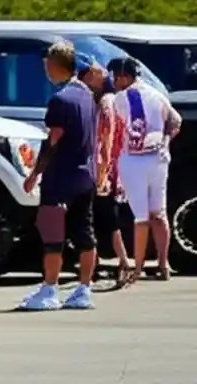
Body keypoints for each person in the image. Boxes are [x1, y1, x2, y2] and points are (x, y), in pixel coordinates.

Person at [20, 43, 98, 311]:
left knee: (52, 232)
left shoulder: (60, 100)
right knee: (85, 232)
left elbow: (53, 140)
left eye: (47, 65)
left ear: (55, 65)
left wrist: (34, 174)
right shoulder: (88, 96)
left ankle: (50, 289)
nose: (45, 70)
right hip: (86, 174)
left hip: (61, 176)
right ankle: (84, 289)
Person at [107, 56, 182, 282]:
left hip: (133, 159)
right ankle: (163, 263)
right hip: (159, 158)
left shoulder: (120, 98)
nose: (113, 81)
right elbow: (175, 122)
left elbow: (114, 128)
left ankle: (137, 267)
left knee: (140, 216)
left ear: (125, 77)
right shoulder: (157, 94)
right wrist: (164, 141)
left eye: (116, 76)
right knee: (159, 212)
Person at [81, 61, 131, 286]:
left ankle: (119, 261)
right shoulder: (119, 101)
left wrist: (101, 172)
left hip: (105, 168)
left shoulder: (105, 103)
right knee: (107, 218)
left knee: (103, 218)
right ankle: (113, 260)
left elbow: (105, 138)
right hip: (117, 166)